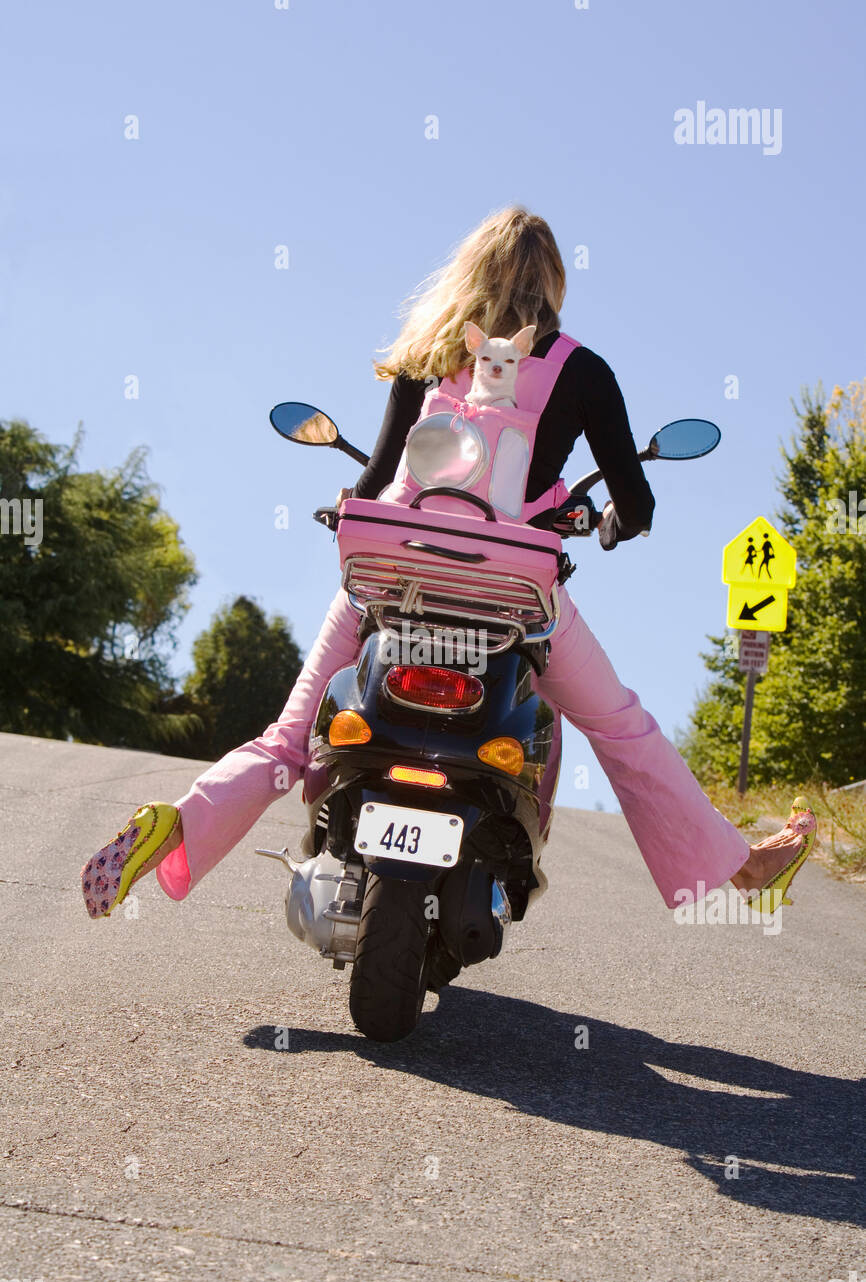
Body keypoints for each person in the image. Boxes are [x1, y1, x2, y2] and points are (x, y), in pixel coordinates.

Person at [80, 207, 816, 923]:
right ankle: (743, 868)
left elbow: (374, 483)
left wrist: (348, 506)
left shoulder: (431, 349)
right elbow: (638, 503)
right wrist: (614, 525)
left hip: (393, 580)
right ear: (555, 283)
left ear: (470, 272)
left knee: (286, 738)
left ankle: (174, 826)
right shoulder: (583, 371)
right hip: (514, 596)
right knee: (623, 728)